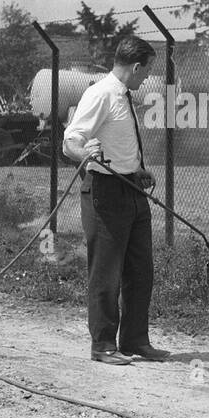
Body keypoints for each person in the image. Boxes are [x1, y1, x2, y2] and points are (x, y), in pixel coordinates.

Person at [62, 37, 169, 364]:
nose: (147, 78)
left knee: (140, 271)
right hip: (105, 192)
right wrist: (85, 152)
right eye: (147, 71)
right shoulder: (100, 94)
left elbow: (120, 141)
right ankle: (103, 345)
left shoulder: (123, 96)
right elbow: (70, 141)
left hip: (132, 189)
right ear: (136, 67)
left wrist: (138, 169)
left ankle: (136, 341)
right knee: (106, 272)